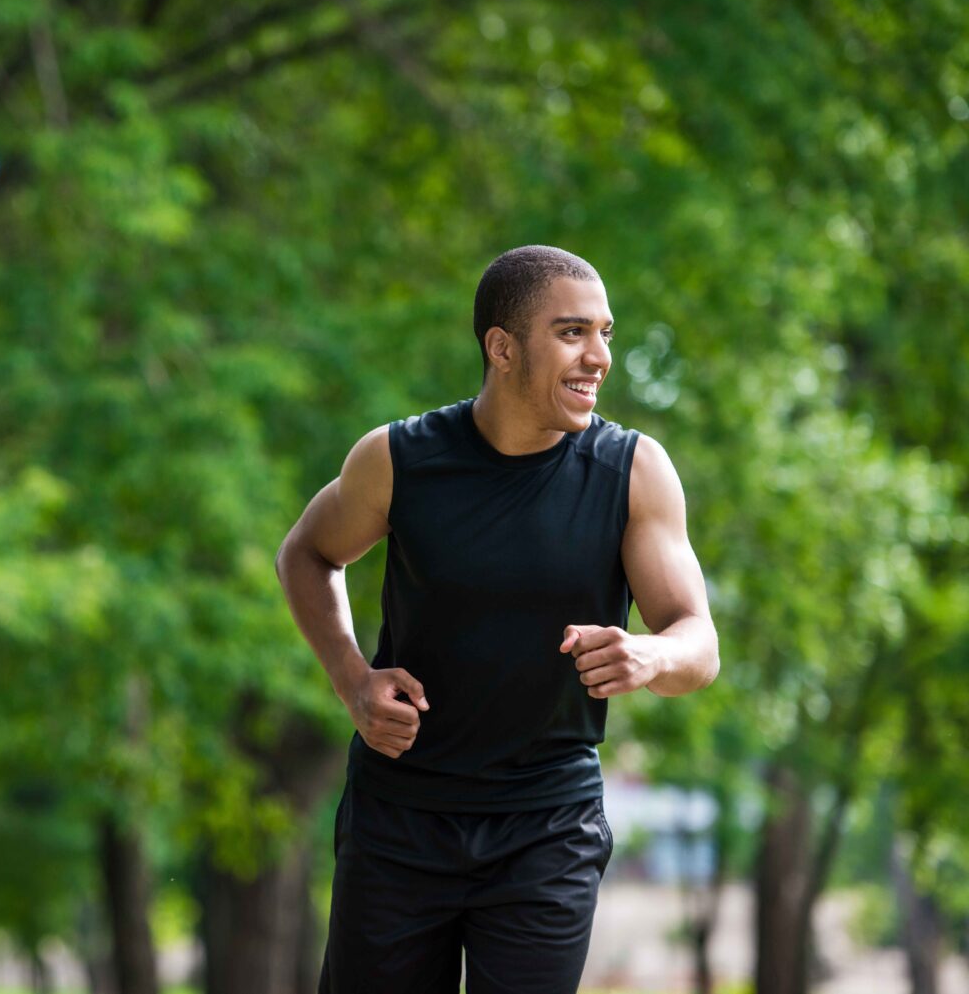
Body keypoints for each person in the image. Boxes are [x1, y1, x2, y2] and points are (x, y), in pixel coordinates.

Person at [276, 245, 719, 993]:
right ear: (502, 346)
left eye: (607, 332)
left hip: (547, 825)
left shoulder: (632, 472)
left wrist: (649, 655)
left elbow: (698, 641)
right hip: (399, 818)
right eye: (574, 332)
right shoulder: (398, 459)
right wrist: (353, 680)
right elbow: (307, 553)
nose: (600, 356)